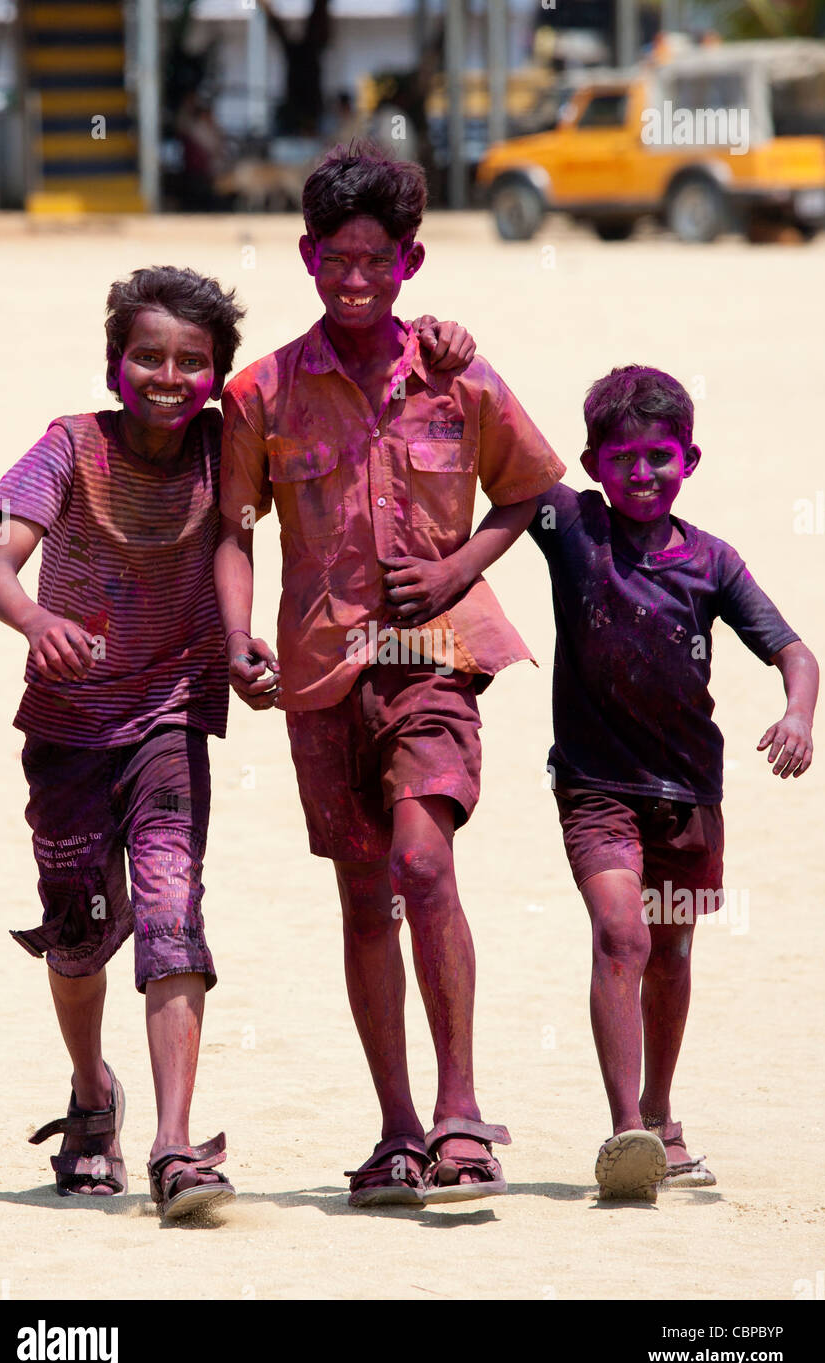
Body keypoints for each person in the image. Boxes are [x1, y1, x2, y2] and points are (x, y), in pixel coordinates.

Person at [0, 260, 478, 1219]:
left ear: (217, 373)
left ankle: (172, 1145)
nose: (169, 378)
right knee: (79, 933)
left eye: (192, 362)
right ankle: (92, 1099)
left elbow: (347, 406)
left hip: (171, 718)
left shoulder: (228, 446)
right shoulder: (68, 446)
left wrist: (441, 349)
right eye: (149, 358)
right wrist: (37, 625)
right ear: (114, 363)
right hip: (69, 730)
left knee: (170, 911)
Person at [215, 142, 565, 1206]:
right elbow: (235, 528)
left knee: (422, 861)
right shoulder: (260, 393)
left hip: (430, 653)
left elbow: (527, 493)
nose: (354, 281)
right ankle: (397, 1130)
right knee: (363, 896)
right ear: (307, 254)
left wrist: (459, 564)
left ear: (409, 260)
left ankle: (461, 1113)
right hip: (318, 671)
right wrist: (237, 638)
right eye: (335, 260)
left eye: (376, 261)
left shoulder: (457, 374)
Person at [527, 364, 818, 1200]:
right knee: (623, 934)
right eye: (621, 459)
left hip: (689, 794)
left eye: (659, 456)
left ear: (690, 458)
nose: (641, 474)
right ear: (592, 464)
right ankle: (626, 1132)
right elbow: (507, 453)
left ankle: (660, 1113)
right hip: (594, 784)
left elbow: (795, 652)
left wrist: (797, 716)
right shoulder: (573, 527)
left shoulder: (713, 561)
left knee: (672, 955)